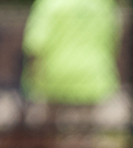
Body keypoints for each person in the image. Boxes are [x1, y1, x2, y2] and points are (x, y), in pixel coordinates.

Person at [21, 0, 120, 131]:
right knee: (85, 134)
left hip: (54, 77)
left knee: (49, 132)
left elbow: (35, 44)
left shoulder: (49, 4)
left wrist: (31, 80)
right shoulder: (103, 4)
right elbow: (113, 37)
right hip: (92, 76)